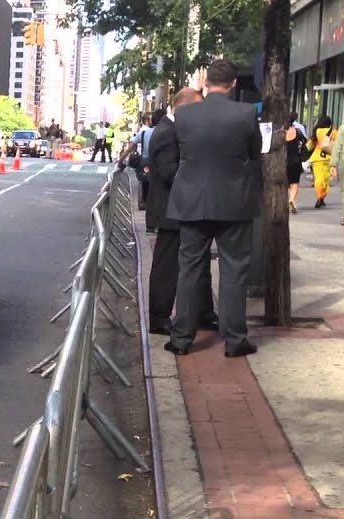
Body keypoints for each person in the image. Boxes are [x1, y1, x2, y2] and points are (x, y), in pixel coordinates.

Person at [164, 58, 261, 359]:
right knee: (234, 270)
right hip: (234, 201)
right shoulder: (245, 113)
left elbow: (182, 151)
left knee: (189, 268)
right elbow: (254, 151)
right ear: (233, 84)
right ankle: (235, 340)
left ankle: (181, 338)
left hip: (191, 200)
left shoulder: (185, 115)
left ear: (205, 82)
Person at [146, 89, 217, 335]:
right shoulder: (167, 133)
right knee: (167, 267)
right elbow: (169, 172)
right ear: (184, 109)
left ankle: (203, 312)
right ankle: (159, 317)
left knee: (198, 262)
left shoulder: (175, 130)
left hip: (184, 209)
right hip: (171, 212)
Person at [308, 114, 335, 209]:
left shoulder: (317, 131)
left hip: (317, 159)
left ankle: (319, 196)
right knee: (326, 179)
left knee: (319, 178)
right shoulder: (333, 132)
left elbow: (309, 145)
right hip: (329, 158)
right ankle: (322, 198)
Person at [286, 113, 308, 214]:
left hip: (282, 161)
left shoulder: (279, 133)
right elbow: (305, 144)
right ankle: (292, 200)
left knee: (284, 184)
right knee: (294, 184)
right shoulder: (298, 131)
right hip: (295, 161)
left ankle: (283, 202)